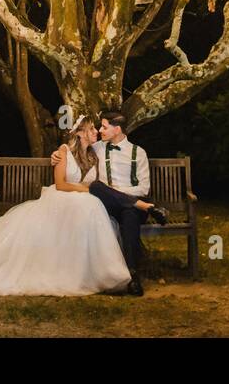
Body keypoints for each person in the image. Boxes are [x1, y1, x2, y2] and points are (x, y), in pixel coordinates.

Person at [0, 116, 139, 296]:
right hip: (62, 198)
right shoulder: (63, 151)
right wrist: (86, 190)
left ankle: (99, 272)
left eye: (97, 128)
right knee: (88, 208)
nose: (96, 132)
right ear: (79, 133)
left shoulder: (94, 154)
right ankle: (75, 272)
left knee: (91, 209)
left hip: (84, 201)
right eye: (92, 129)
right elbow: (60, 184)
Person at [50, 110, 168, 296]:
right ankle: (150, 210)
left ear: (117, 129)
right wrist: (56, 155)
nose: (100, 130)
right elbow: (74, 150)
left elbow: (144, 188)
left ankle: (133, 276)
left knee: (129, 215)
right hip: (108, 204)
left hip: (134, 204)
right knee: (96, 186)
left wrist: (117, 195)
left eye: (104, 127)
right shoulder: (97, 148)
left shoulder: (139, 153)